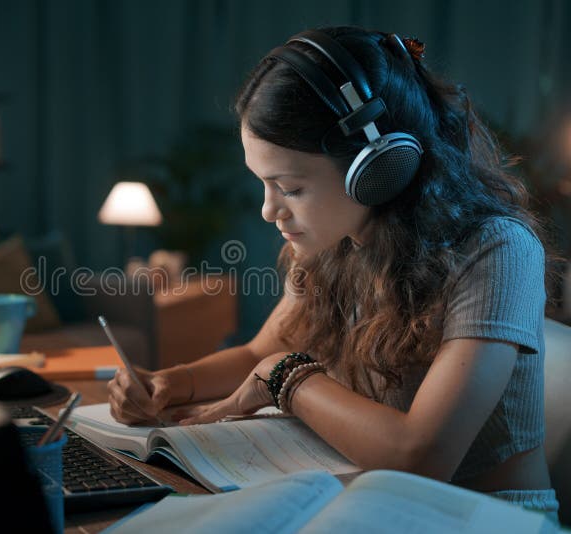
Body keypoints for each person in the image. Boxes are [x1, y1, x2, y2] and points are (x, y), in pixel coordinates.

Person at [107, 26, 560, 520]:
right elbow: (260, 351)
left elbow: (421, 456)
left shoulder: (497, 250)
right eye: (263, 183)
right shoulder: (332, 242)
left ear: (378, 169)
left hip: (488, 516)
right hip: (370, 498)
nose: (268, 210)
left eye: (290, 187)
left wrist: (288, 379)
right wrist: (169, 384)